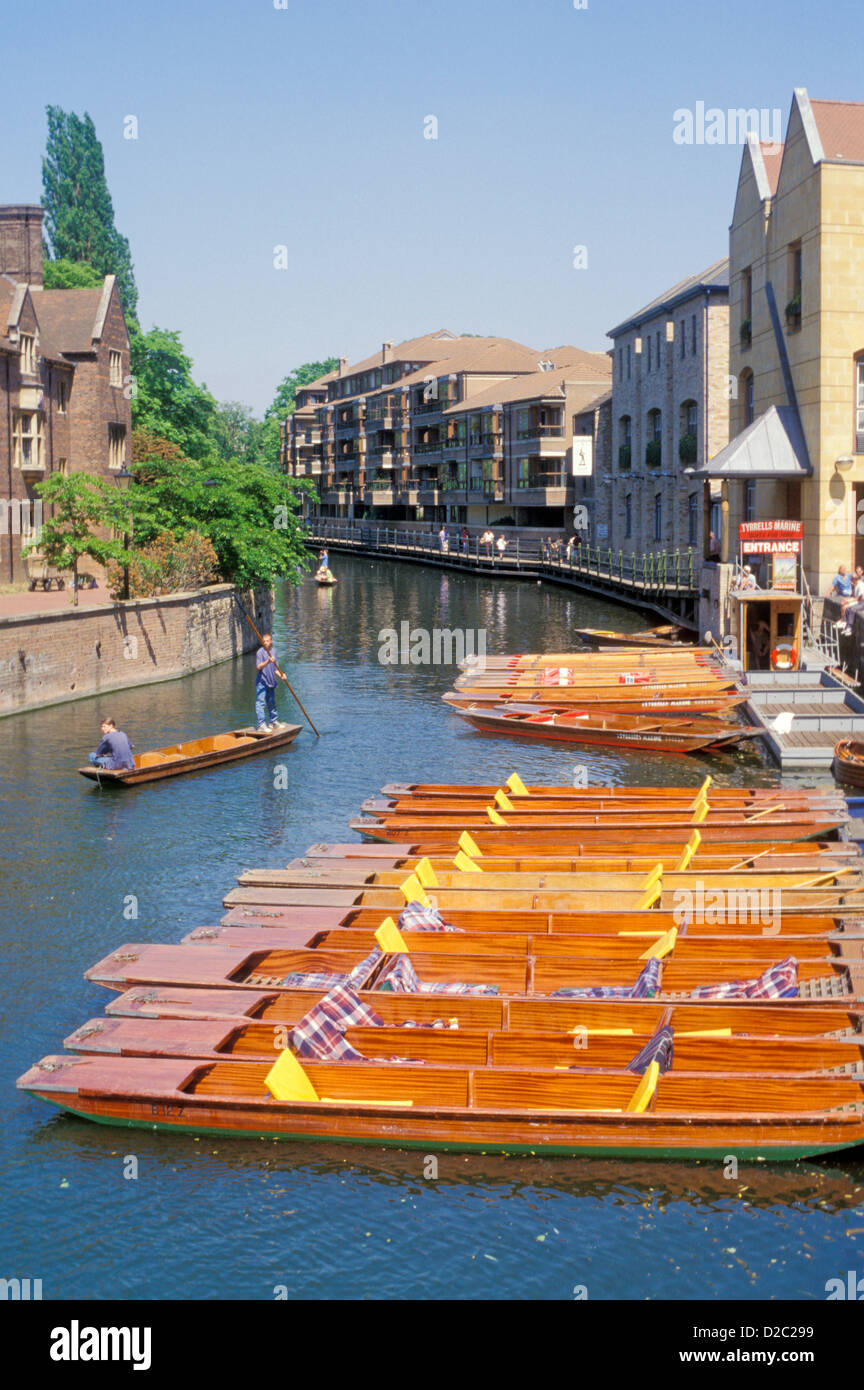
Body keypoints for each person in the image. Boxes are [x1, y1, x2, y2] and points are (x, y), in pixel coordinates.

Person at [255, 632, 282, 730]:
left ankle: (273, 721)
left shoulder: (274, 652)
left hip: (271, 681)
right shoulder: (260, 652)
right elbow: (258, 667)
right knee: (260, 702)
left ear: (271, 641)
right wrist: (268, 661)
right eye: (264, 641)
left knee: (271, 702)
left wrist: (282, 675)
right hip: (262, 681)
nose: (265, 643)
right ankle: (261, 724)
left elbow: (276, 669)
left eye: (267, 641)